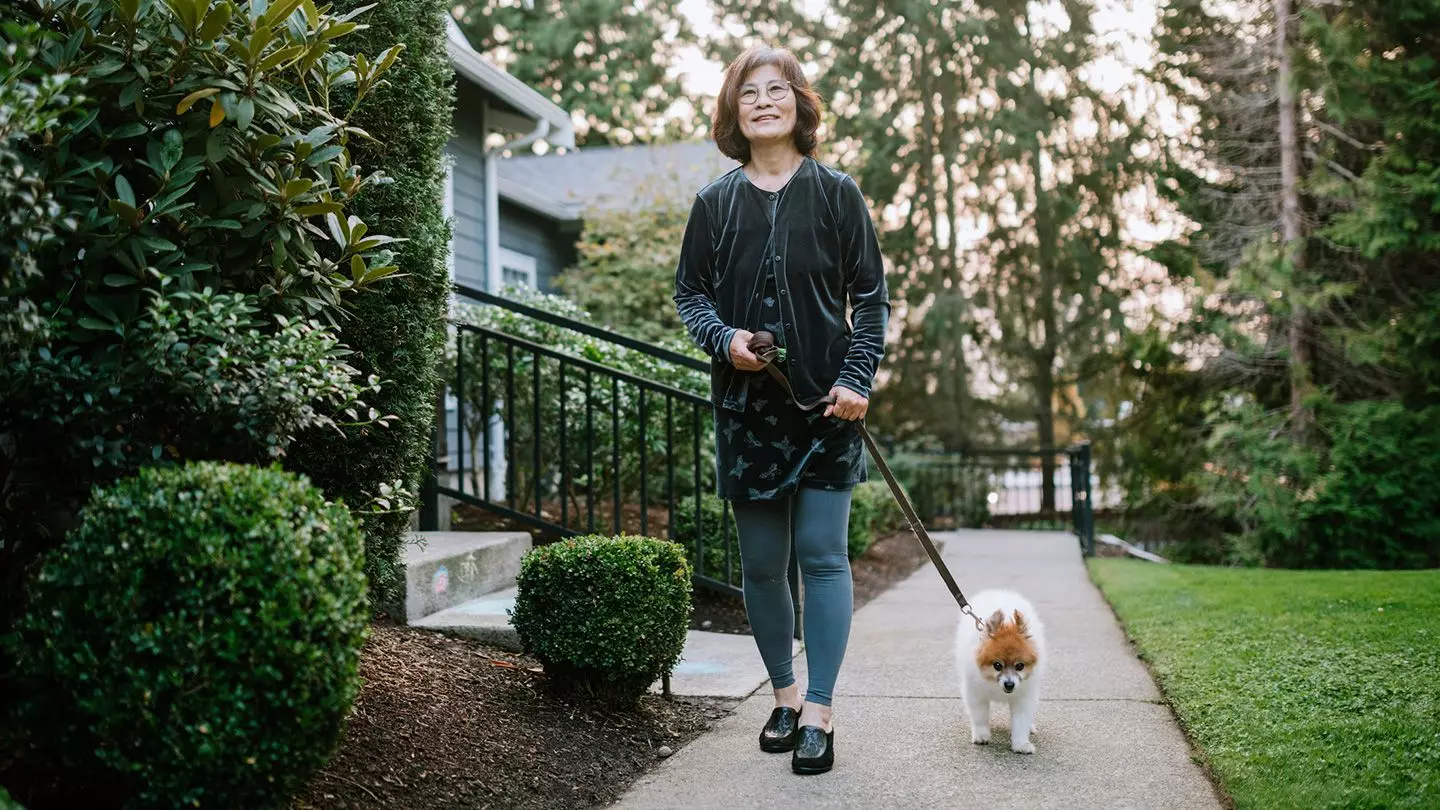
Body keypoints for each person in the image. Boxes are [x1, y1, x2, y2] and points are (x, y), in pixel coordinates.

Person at [673, 44, 889, 776]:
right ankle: (786, 697)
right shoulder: (714, 204)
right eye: (748, 93)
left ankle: (821, 711)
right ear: (735, 111)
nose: (763, 101)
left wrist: (858, 378)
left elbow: (871, 297)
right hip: (745, 411)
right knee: (764, 568)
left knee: (823, 558)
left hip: (829, 410)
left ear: (799, 103)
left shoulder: (837, 194)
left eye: (776, 89)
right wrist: (724, 337)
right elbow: (690, 296)